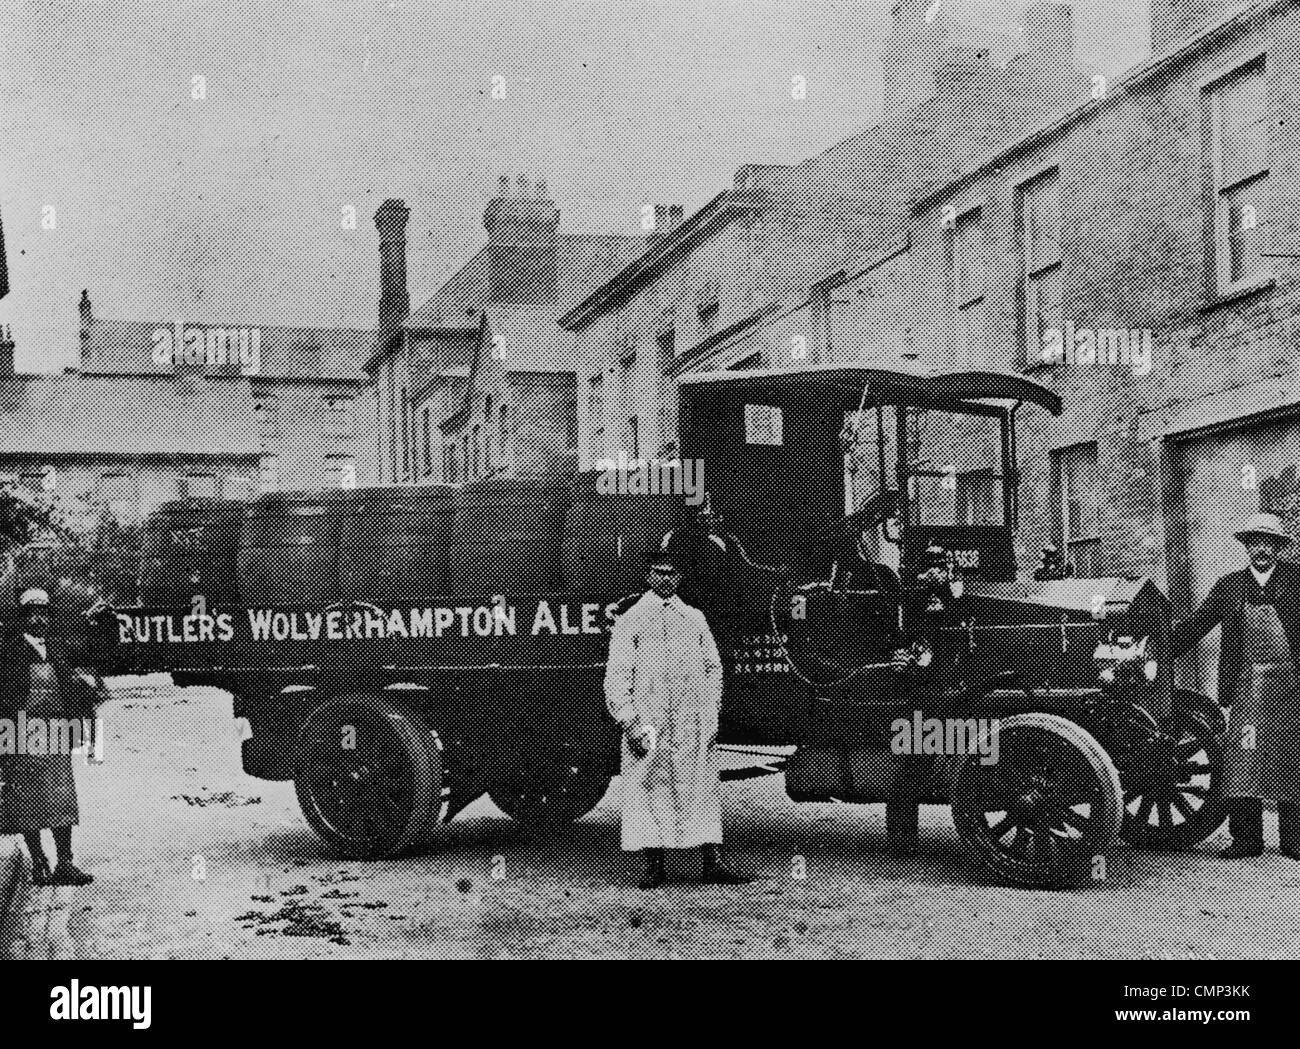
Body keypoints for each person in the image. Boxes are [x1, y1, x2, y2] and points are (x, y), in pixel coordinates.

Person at [604, 544, 753, 889]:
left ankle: (712, 862)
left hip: (692, 722)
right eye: (659, 573)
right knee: (648, 789)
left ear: (680, 578)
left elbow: (713, 668)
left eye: (672, 574)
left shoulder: (694, 618)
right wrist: (630, 722)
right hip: (649, 723)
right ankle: (654, 866)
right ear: (648, 576)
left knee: (701, 788)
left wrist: (711, 714)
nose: (665, 579)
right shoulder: (632, 620)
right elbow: (617, 677)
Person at [1172, 513, 1300, 860]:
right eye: (1254, 542)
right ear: (1246, 547)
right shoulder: (1229, 585)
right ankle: (1247, 840)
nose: (1261, 549)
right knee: (1243, 760)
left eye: (1268, 543)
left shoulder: (1296, 580)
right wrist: (1158, 649)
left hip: (1291, 687)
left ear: (1277, 548)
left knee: (1290, 756)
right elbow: (1197, 624)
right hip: (1245, 688)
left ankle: (1294, 840)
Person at [0, 588, 100, 885]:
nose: (37, 619)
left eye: (42, 613)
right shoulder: (8, 652)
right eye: (30, 614)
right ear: (21, 619)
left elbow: (72, 690)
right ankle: (39, 861)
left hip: (56, 732)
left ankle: (65, 863)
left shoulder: (57, 649)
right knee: (26, 801)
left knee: (62, 798)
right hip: (21, 733)